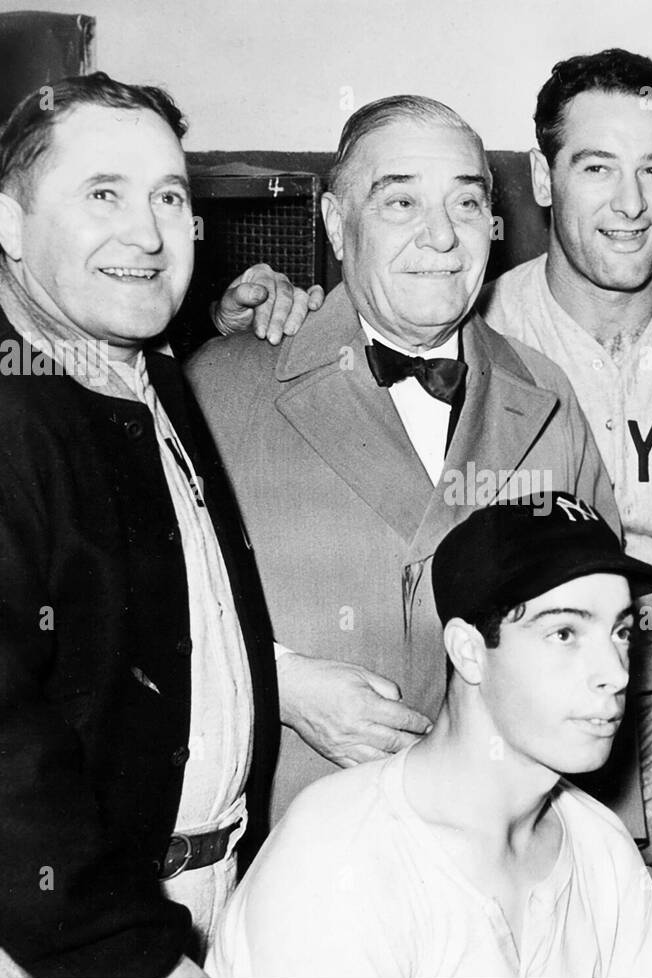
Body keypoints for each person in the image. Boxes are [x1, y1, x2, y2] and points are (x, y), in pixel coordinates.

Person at [221, 53, 652, 978]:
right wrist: (254, 307)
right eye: (597, 165)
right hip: (488, 698)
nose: (631, 202)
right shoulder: (483, 318)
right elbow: (361, 328)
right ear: (540, 181)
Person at [0, 73, 279, 978]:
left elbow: (146, 621)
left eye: (168, 195)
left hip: (180, 896)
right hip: (9, 945)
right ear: (8, 226)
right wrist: (132, 959)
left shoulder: (132, 362)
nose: (149, 232)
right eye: (102, 195)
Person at [185, 96, 620, 835]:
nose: (442, 235)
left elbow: (601, 624)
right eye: (401, 201)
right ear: (334, 224)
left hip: (493, 848)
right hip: (289, 845)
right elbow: (140, 619)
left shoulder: (545, 396)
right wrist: (276, 683)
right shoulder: (223, 387)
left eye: (466, 201)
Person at [206, 492, 652, 978]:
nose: (615, 673)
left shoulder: (600, 846)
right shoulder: (339, 859)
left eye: (621, 633)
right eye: (564, 633)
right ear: (469, 651)